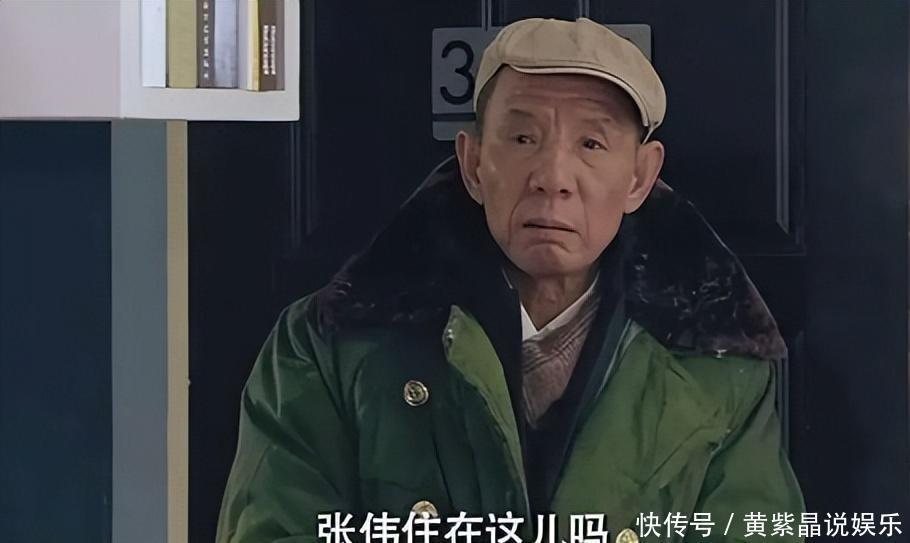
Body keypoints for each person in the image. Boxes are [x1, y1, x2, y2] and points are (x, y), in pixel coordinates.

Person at [216, 17, 805, 543]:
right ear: (473, 164)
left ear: (639, 178)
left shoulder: (718, 367)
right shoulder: (328, 345)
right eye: (523, 138)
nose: (553, 177)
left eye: (591, 143)